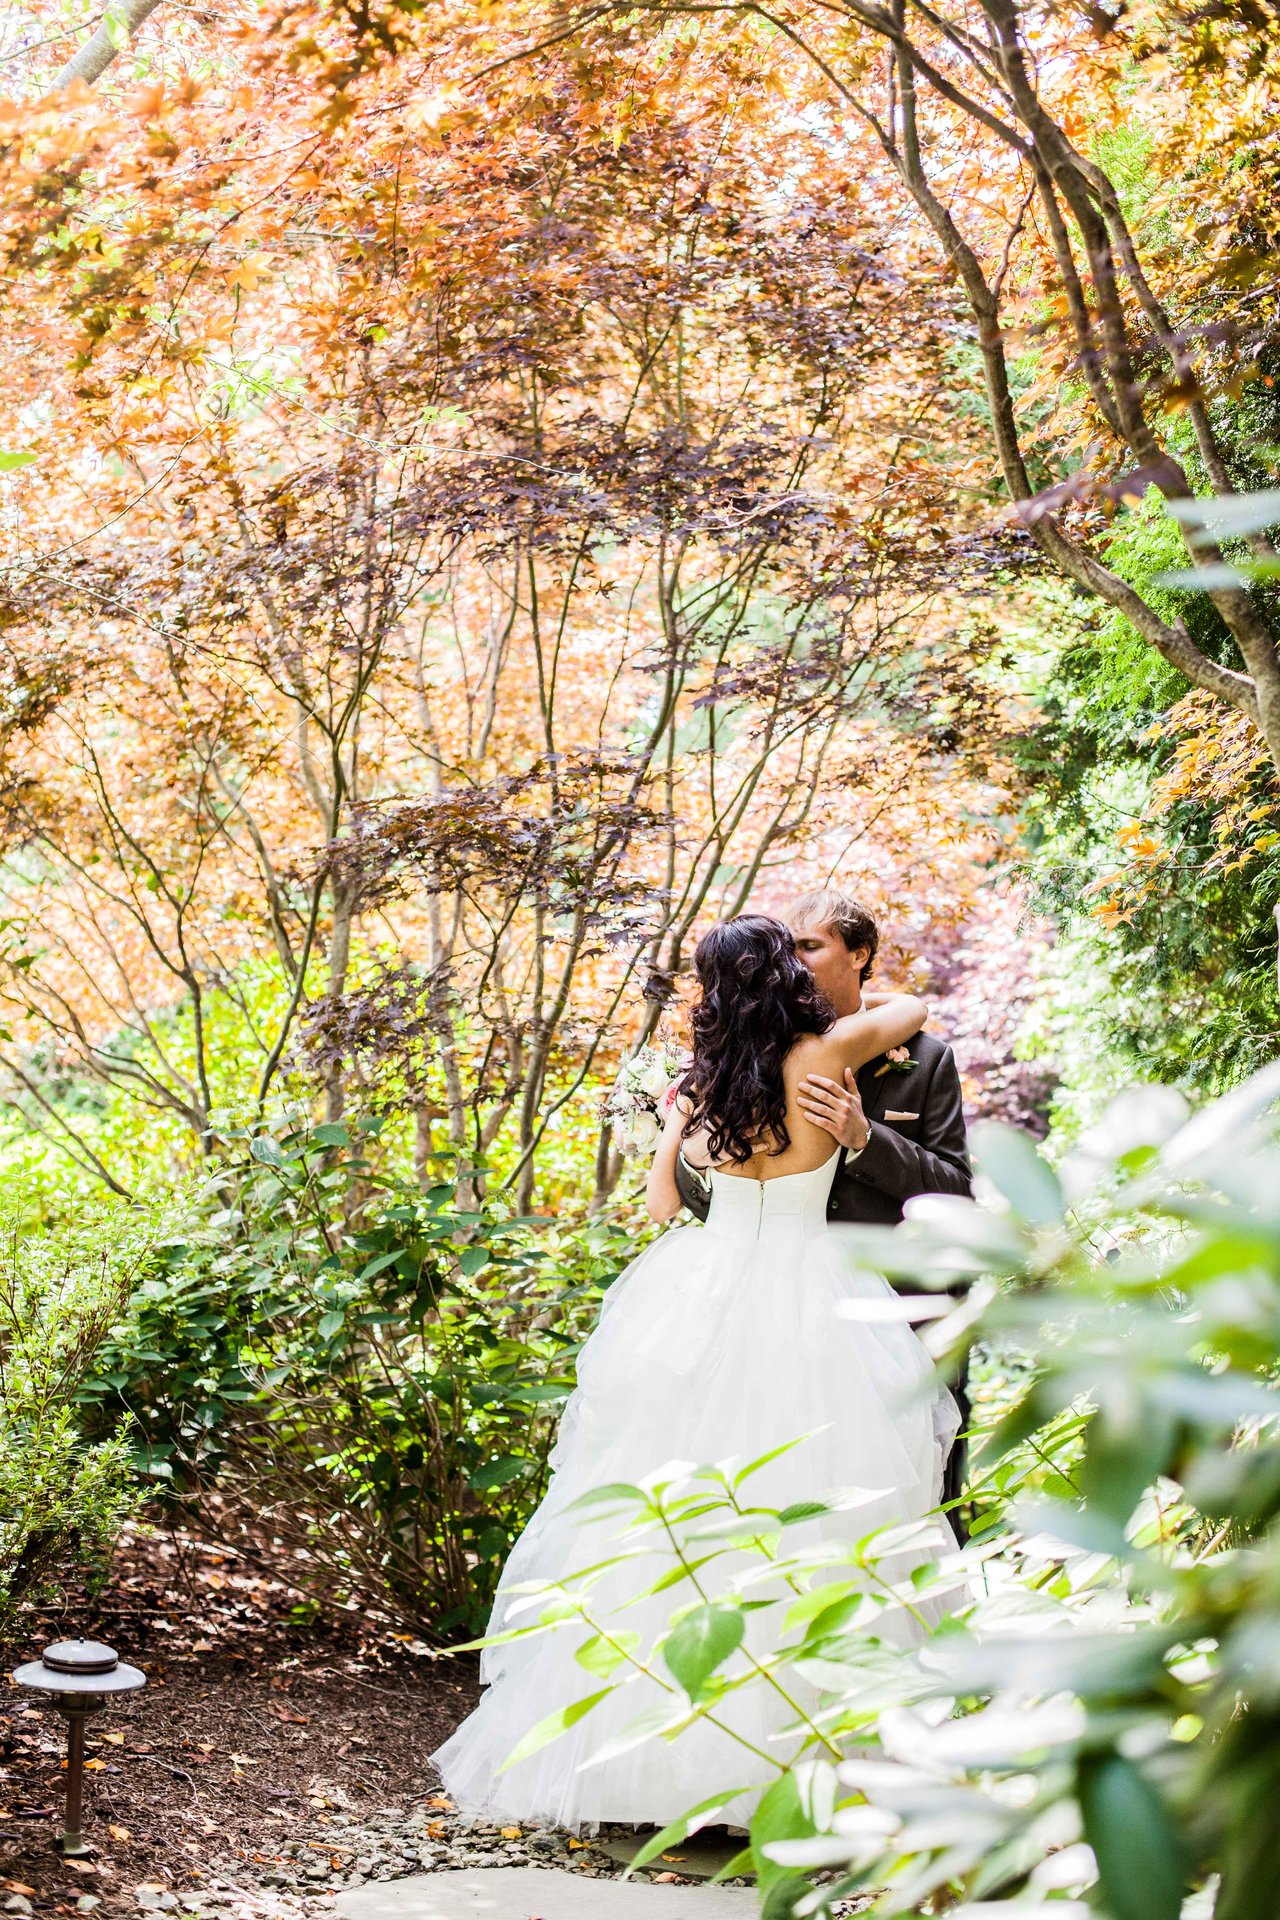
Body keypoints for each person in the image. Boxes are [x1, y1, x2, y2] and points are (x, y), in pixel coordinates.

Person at [432, 914, 960, 1831]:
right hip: (814, 1289)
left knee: (665, 1507)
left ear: (716, 994)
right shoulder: (828, 1055)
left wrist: (677, 1117)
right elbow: (910, 1007)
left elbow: (663, 1202)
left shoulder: (707, 1084)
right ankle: (817, 1771)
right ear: (780, 979)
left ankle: (647, 1769)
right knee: (814, 1506)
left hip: (701, 1288)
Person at [674, 889, 973, 1535]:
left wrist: (868, 1138)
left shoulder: (921, 1059)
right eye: (788, 947)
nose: (794, 959)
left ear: (858, 953)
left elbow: (954, 1194)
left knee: (916, 1505)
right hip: (763, 1318)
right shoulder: (735, 1065)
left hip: (901, 1312)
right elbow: (695, 1191)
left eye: (809, 945)